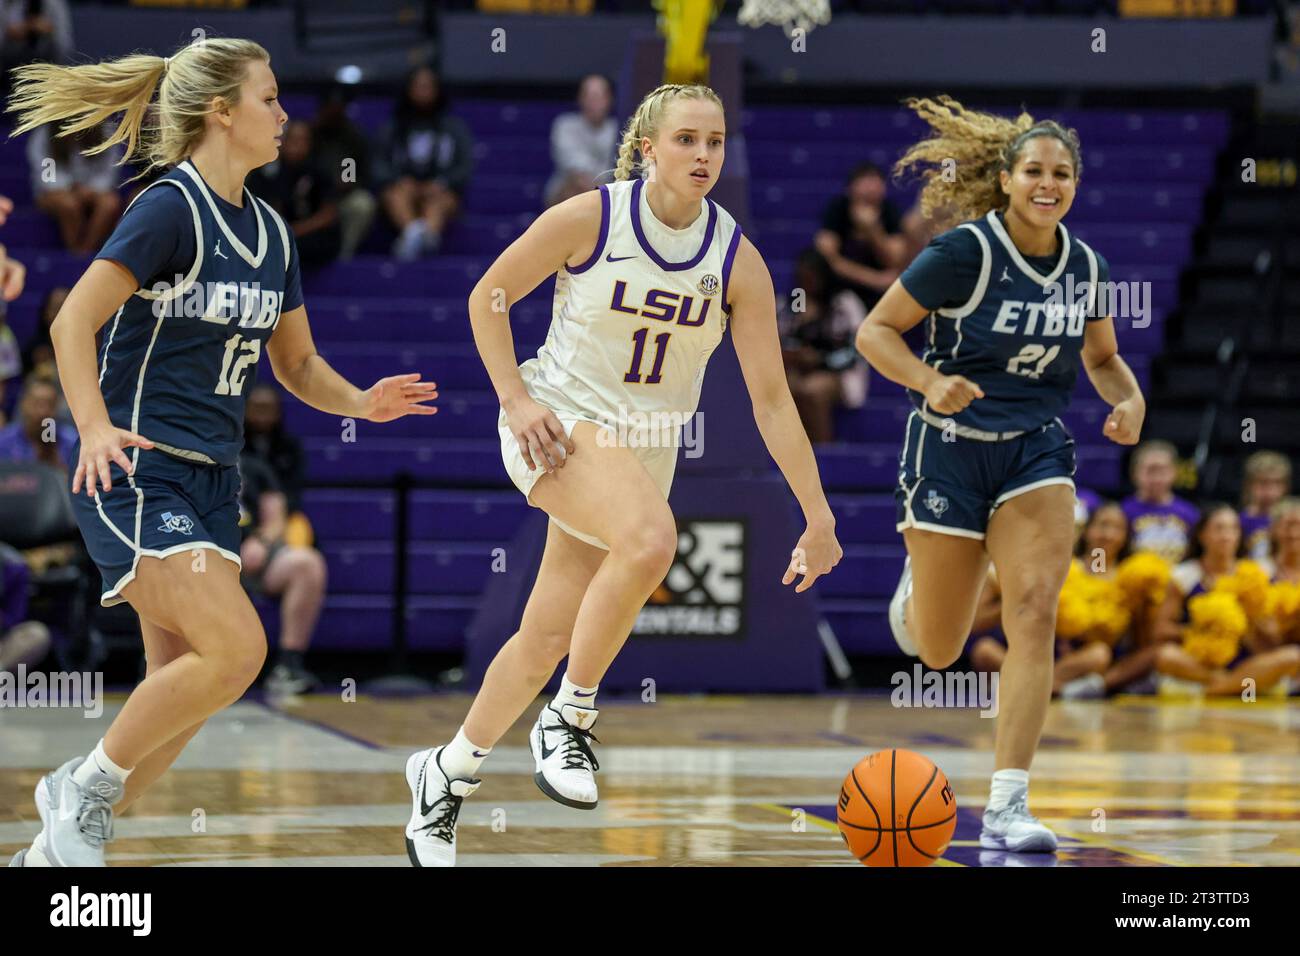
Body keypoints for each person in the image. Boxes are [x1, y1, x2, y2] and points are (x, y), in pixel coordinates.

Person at [4, 38, 437, 868]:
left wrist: (361, 401)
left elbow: (297, 365)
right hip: (137, 468)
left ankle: (46, 858)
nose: (285, 115)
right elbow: (70, 323)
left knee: (186, 699)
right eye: (270, 99)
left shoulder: (273, 232)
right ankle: (78, 790)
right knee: (239, 650)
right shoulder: (170, 208)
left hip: (213, 481)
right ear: (223, 112)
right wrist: (90, 426)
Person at [402, 83, 843, 867]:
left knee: (541, 638)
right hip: (557, 423)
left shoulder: (736, 260)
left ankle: (445, 773)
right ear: (649, 148)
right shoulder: (593, 217)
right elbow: (488, 297)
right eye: (686, 140)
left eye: (714, 141)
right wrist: (514, 399)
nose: (703, 155)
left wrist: (818, 516)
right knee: (649, 541)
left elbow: (773, 401)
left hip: (646, 447)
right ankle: (568, 720)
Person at [858, 94, 1144, 854]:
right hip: (949, 447)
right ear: (1008, 180)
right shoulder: (962, 254)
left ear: (1073, 185)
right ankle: (922, 591)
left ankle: (1010, 804)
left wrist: (1130, 398)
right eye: (1034, 172)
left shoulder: (1088, 267)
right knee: (939, 650)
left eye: (1061, 174)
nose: (1048, 184)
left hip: (1034, 451)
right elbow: (874, 331)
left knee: (1034, 610)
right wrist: (926, 380)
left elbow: (1103, 358)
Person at [1153, 503, 1300, 695]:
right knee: (1165, 656)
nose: (1226, 536)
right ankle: (1234, 685)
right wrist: (1201, 630)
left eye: (1233, 529)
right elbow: (1161, 630)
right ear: (1202, 535)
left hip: (1246, 659)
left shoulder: (1254, 575)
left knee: (1292, 657)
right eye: (1219, 528)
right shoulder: (1184, 575)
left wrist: (1251, 623)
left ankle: (1216, 689)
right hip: (1201, 661)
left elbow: (1271, 640)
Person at [237, 450, 326, 695]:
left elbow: (276, 515)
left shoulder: (253, 466)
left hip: (250, 559)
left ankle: (289, 666)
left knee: (306, 563)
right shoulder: (187, 461)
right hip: (200, 558)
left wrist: (262, 542)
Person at [377, 65, 474, 261]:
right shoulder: (393, 128)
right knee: (395, 194)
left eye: (428, 86)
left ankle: (424, 238)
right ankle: (414, 233)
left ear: (438, 90)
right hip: (403, 189)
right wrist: (399, 180)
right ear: (409, 89)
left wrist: (442, 183)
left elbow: (465, 167)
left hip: (441, 191)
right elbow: (377, 164)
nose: (424, 92)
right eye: (418, 86)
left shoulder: (454, 128)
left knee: (437, 201)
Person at [777, 247, 868, 443]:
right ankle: (789, 454)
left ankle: (824, 455)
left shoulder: (844, 304)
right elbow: (779, 342)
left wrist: (820, 360)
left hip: (838, 373)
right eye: (803, 279)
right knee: (786, 388)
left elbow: (858, 349)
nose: (807, 285)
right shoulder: (792, 304)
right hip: (797, 371)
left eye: (811, 278)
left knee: (812, 391)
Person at [814, 161, 908, 313]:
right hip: (841, 288)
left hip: (878, 295)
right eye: (865, 183)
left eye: (876, 183)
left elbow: (895, 260)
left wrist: (874, 231)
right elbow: (830, 259)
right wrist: (876, 280)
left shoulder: (890, 211)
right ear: (850, 189)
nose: (871, 189)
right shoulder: (837, 209)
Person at [247, 119, 341, 270]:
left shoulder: (320, 169)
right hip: (278, 233)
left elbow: (329, 214)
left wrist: (295, 230)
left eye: (303, 140)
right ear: (283, 142)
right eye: (293, 139)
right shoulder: (267, 170)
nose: (297, 145)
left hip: (309, 234)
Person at [26, 122, 124, 255]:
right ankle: (74, 252)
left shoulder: (106, 130)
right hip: (54, 191)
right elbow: (46, 174)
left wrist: (91, 189)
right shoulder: (45, 132)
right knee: (69, 204)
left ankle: (86, 250)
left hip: (93, 190)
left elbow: (110, 170)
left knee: (110, 204)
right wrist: (69, 188)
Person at [311, 85, 377, 260]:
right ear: (321, 108)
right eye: (330, 107)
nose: (334, 112)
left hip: (339, 197)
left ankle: (343, 255)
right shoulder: (309, 135)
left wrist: (342, 184)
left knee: (362, 204)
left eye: (338, 108)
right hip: (308, 196)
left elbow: (354, 176)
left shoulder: (353, 138)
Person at [544, 74, 618, 208]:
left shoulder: (620, 129)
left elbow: (618, 169)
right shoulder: (565, 125)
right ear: (580, 99)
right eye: (589, 96)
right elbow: (572, 164)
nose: (594, 102)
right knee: (577, 183)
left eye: (599, 96)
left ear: (609, 99)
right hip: (567, 190)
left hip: (610, 190)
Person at [1121, 439, 1198, 564]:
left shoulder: (1189, 513)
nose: (1156, 478)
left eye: (1162, 471)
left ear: (1174, 472)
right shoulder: (1123, 511)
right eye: (1150, 470)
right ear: (1135, 473)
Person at [0, 374, 76, 472]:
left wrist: (52, 453)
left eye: (50, 405)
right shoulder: (4, 441)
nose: (43, 412)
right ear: (24, 404)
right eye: (37, 404)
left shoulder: (71, 441)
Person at [1239, 450, 1291, 562]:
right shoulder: (1237, 522)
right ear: (1249, 485)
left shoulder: (1293, 524)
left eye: (1277, 483)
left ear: (1286, 486)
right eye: (1263, 483)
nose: (1270, 492)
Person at [22, 286, 68, 378]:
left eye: (64, 308)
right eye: (56, 308)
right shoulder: (36, 346)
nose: (60, 314)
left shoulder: (89, 342)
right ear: (46, 312)